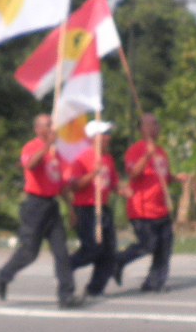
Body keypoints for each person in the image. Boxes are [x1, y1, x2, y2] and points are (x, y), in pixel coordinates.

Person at [0, 113, 81, 308]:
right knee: (29, 252)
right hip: (34, 205)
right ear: (37, 129)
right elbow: (30, 164)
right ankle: (4, 274)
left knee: (61, 252)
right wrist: (46, 146)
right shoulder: (32, 147)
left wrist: (71, 209)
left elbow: (61, 185)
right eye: (47, 125)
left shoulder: (57, 154)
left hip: (51, 205)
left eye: (52, 125)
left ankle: (66, 295)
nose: (52, 129)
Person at [114, 113, 184, 292]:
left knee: (164, 248)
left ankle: (154, 283)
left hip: (160, 208)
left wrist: (176, 178)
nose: (157, 126)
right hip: (142, 209)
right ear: (142, 129)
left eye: (157, 123)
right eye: (153, 124)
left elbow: (163, 177)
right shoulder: (135, 150)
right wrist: (146, 156)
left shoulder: (160, 151)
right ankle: (117, 261)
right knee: (148, 245)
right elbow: (133, 174)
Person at [66, 120, 119, 299]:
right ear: (93, 137)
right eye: (103, 134)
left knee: (109, 251)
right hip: (85, 209)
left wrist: (122, 190)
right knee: (92, 250)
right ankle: (65, 266)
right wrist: (92, 174)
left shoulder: (108, 158)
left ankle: (95, 288)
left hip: (102, 208)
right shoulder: (81, 158)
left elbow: (112, 183)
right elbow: (74, 186)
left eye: (107, 134)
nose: (107, 138)